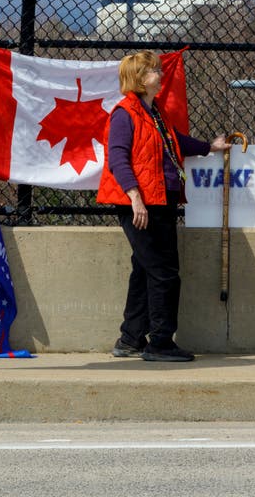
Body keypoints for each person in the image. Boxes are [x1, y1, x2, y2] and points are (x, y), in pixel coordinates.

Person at [96, 51, 229, 363]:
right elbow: (117, 158)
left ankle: (130, 338)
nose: (160, 73)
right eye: (154, 70)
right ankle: (160, 341)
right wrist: (135, 198)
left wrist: (209, 147)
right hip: (141, 202)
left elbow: (175, 142)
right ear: (140, 79)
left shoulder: (154, 112)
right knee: (164, 272)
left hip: (162, 198)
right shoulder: (124, 113)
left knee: (145, 269)